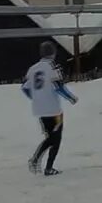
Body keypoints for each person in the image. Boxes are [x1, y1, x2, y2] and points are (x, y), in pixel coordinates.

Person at [22, 41, 78, 175]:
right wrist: (71, 98)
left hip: (39, 109)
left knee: (50, 137)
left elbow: (25, 88)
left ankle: (38, 161)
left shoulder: (33, 68)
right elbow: (58, 86)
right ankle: (45, 166)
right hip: (53, 109)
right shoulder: (52, 67)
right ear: (53, 53)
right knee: (55, 139)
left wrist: (36, 98)